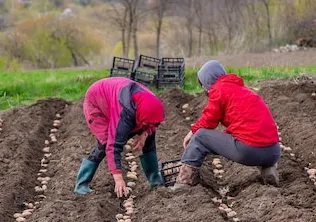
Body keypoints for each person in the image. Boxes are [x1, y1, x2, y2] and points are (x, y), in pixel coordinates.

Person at [172, 60, 281, 190]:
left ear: (207, 81)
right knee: (255, 137)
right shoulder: (243, 90)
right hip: (273, 152)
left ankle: (184, 182)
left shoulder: (219, 90)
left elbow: (209, 120)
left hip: (249, 151)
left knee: (201, 136)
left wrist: (192, 132)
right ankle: (269, 170)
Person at [74, 77, 166, 198]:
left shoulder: (152, 102)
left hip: (124, 100)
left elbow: (153, 123)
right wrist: (118, 179)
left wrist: (145, 132)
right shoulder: (124, 112)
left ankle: (155, 180)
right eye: (145, 123)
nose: (150, 125)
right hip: (97, 101)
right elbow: (114, 145)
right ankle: (81, 185)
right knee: (105, 144)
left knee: (150, 137)